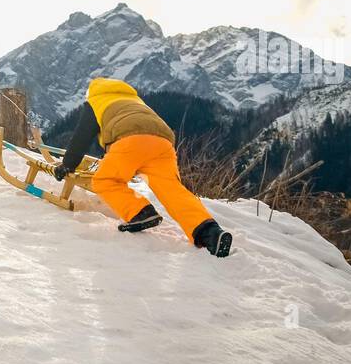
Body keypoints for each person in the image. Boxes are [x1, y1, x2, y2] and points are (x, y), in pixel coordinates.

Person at [55, 78, 233, 257]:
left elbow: (82, 137)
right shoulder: (135, 100)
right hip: (163, 143)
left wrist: (67, 165)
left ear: (92, 91)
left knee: (105, 180)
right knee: (172, 190)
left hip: (130, 141)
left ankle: (140, 212)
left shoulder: (95, 101)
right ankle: (209, 233)